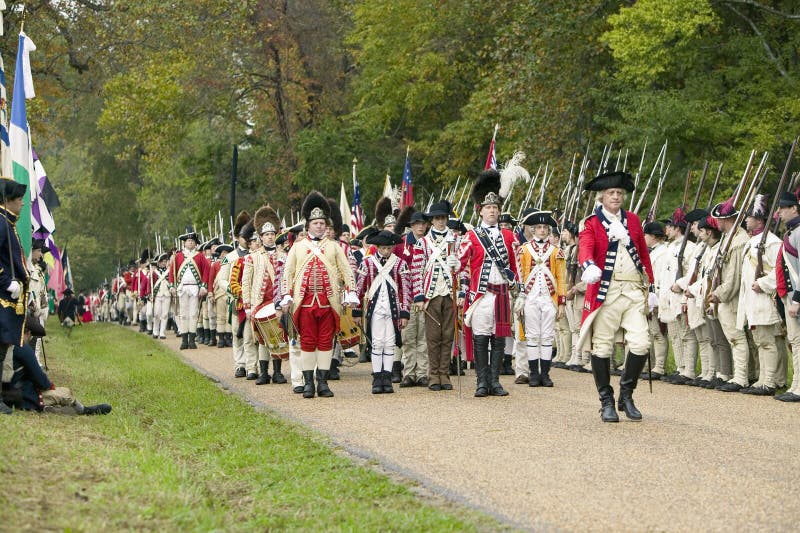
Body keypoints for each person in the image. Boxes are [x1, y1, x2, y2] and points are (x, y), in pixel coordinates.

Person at [578, 171, 655, 422]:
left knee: (642, 342)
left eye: (619, 193)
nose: (616, 197)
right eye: (611, 193)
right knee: (601, 347)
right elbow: (586, 247)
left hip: (633, 290)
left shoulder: (633, 220)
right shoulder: (591, 222)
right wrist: (588, 265)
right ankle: (606, 400)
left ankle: (627, 395)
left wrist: (651, 288)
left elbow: (643, 255)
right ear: (602, 197)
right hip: (606, 292)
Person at [279, 191, 358, 399]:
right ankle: (307, 383)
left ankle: (322, 382)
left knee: (325, 342)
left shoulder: (334, 247)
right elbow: (288, 273)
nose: (320, 226)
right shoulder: (297, 247)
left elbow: (346, 270)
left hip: (327, 302)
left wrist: (350, 291)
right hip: (304, 303)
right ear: (308, 225)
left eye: (323, 223)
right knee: (307, 342)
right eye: (316, 223)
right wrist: (286, 296)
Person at [457, 169, 519, 398]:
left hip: (502, 292)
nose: (492, 211)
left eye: (495, 208)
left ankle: (495, 381)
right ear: (480, 211)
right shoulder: (471, 236)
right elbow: (461, 263)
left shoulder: (509, 236)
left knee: (499, 338)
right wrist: (455, 265)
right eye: (488, 208)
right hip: (481, 294)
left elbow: (515, 266)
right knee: (481, 337)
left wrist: (518, 290)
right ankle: (481, 382)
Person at [1, 317, 111, 415]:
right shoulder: (21, 347)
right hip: (21, 396)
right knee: (65, 393)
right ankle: (84, 410)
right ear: (28, 333)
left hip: (6, 394)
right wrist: (48, 385)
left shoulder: (5, 343)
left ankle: (51, 407)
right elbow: (39, 378)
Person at [354, 230, 412, 393]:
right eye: (383, 248)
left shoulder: (400, 264)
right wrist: (357, 311)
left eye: (389, 248)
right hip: (375, 309)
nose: (386, 251)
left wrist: (405, 312)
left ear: (393, 247)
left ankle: (387, 378)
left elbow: (406, 290)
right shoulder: (367, 263)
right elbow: (359, 288)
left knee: (390, 344)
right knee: (377, 344)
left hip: (393, 309)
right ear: (377, 247)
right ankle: (377, 378)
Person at [412, 201, 461, 391]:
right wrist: (419, 297)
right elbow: (416, 271)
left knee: (448, 335)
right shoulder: (422, 243)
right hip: (431, 295)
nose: (441, 221)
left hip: (450, 293)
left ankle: (444, 374)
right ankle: (433, 375)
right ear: (431, 220)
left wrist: (462, 290)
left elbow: (463, 270)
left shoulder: (456, 239)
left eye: (443, 218)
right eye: (437, 218)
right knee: (433, 336)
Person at [514, 210, 566, 388]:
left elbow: (561, 278)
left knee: (547, 336)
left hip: (549, 298)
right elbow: (520, 275)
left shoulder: (556, 252)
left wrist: (561, 302)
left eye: (545, 227)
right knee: (532, 335)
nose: (542, 230)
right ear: (533, 230)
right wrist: (520, 298)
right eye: (539, 227)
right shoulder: (524, 250)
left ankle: (545, 374)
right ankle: (534, 374)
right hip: (530, 298)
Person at [739, 194, 784, 395]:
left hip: (764, 298)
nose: (746, 220)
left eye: (749, 217)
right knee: (760, 342)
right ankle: (762, 380)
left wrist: (763, 283)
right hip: (753, 300)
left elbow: (779, 269)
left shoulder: (771, 241)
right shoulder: (753, 241)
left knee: (767, 342)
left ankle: (770, 382)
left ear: (759, 219)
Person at [241, 206, 287, 385]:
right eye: (266, 234)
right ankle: (263, 373)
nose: (269, 237)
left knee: (277, 336)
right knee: (261, 340)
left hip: (276, 302)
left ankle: (277, 372)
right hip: (259, 302)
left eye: (272, 234)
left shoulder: (284, 255)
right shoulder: (252, 257)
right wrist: (247, 306)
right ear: (260, 237)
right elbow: (246, 283)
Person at [708, 198, 750, 392]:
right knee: (733, 337)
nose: (716, 223)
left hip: (731, 296)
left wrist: (719, 293)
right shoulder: (729, 238)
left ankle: (741, 378)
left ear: (725, 219)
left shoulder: (739, 240)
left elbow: (734, 275)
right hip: (726, 295)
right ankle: (739, 375)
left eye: (718, 220)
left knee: (736, 338)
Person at [0, 177, 30, 414]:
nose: (21, 204)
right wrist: (6, 282)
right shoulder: (1, 223)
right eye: (19, 199)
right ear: (8, 200)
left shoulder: (7, 222)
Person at [774, 191, 800, 401]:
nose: (779, 213)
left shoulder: (798, 233)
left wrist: (797, 300)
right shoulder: (792, 233)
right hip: (790, 296)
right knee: (795, 341)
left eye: (783, 208)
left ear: (794, 208)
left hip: (797, 298)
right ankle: (795, 385)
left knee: (798, 342)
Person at [168, 231, 210, 350]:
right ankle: (184, 340)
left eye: (192, 241)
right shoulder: (178, 256)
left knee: (193, 314)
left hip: (195, 287)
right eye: (188, 241)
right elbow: (172, 272)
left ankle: (192, 340)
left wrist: (204, 286)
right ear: (184, 243)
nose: (190, 242)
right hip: (182, 287)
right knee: (183, 314)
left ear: (195, 243)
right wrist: (172, 286)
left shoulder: (200, 256)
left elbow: (206, 271)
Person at [151, 252, 172, 339]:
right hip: (158, 295)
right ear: (158, 263)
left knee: (165, 314)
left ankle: (162, 332)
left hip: (167, 295)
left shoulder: (169, 271)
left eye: (165, 261)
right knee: (156, 314)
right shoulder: (155, 272)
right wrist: (150, 294)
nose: (163, 263)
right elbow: (151, 284)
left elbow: (171, 282)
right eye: (162, 261)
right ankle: (155, 331)